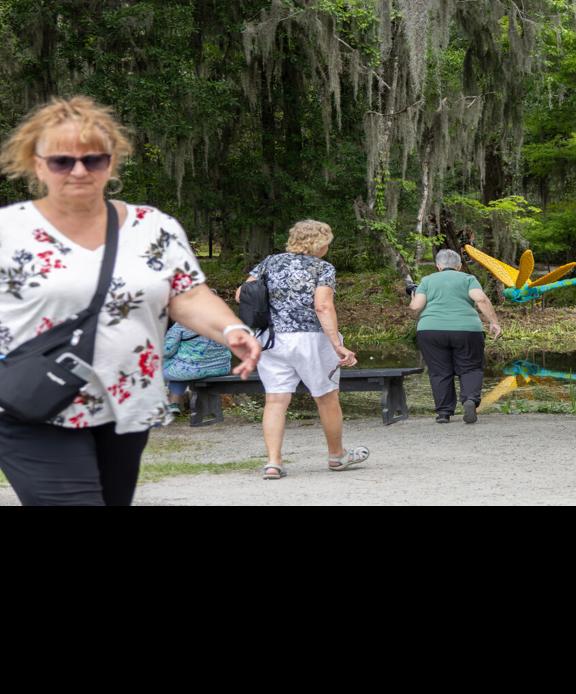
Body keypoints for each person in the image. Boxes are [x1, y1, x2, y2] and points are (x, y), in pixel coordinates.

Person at [0, 96, 260, 505]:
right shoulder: (9, 231)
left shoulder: (153, 228)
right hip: (33, 403)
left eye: (94, 160)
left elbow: (188, 294)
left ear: (112, 163)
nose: (79, 170)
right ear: (37, 164)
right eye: (62, 161)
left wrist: (231, 329)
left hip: (125, 403)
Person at [237, 219, 367, 478]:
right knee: (326, 398)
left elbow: (242, 293)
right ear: (319, 244)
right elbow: (323, 306)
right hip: (311, 339)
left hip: (272, 339)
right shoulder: (322, 268)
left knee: (275, 400)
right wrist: (337, 345)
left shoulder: (269, 263)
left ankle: (273, 462)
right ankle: (336, 455)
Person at [409, 248, 500, 423]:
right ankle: (470, 400)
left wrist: (413, 297)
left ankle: (443, 413)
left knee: (439, 371)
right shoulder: (468, 279)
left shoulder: (427, 281)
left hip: (431, 330)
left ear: (438, 266)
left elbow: (415, 307)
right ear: (458, 266)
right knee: (471, 367)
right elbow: (480, 299)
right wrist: (493, 322)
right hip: (467, 330)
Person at [162, 322, 236, 415]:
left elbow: (166, 351)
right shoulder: (221, 320)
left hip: (193, 370)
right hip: (221, 368)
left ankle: (171, 403)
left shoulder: (182, 324)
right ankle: (173, 404)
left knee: (175, 368)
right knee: (181, 367)